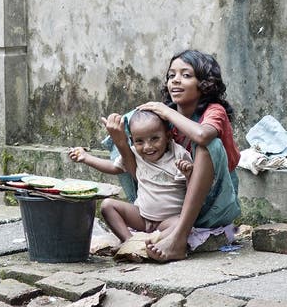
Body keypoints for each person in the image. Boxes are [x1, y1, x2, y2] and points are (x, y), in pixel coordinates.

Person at [132, 48, 241, 261]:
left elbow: (202, 135)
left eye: (186, 75)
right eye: (171, 76)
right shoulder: (163, 117)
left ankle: (179, 239)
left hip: (212, 204)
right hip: (169, 205)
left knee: (208, 145)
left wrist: (166, 111)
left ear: (204, 84)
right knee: (135, 129)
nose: (175, 81)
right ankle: (150, 217)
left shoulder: (214, 110)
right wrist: (119, 133)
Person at [68, 109, 193, 243]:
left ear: (168, 136)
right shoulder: (136, 154)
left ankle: (149, 242)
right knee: (107, 206)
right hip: (142, 217)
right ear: (132, 141)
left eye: (154, 139)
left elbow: (192, 190)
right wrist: (86, 158)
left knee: (181, 225)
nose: (147, 147)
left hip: (168, 221)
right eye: (139, 141)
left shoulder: (178, 155)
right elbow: (114, 167)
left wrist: (188, 175)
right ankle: (129, 241)